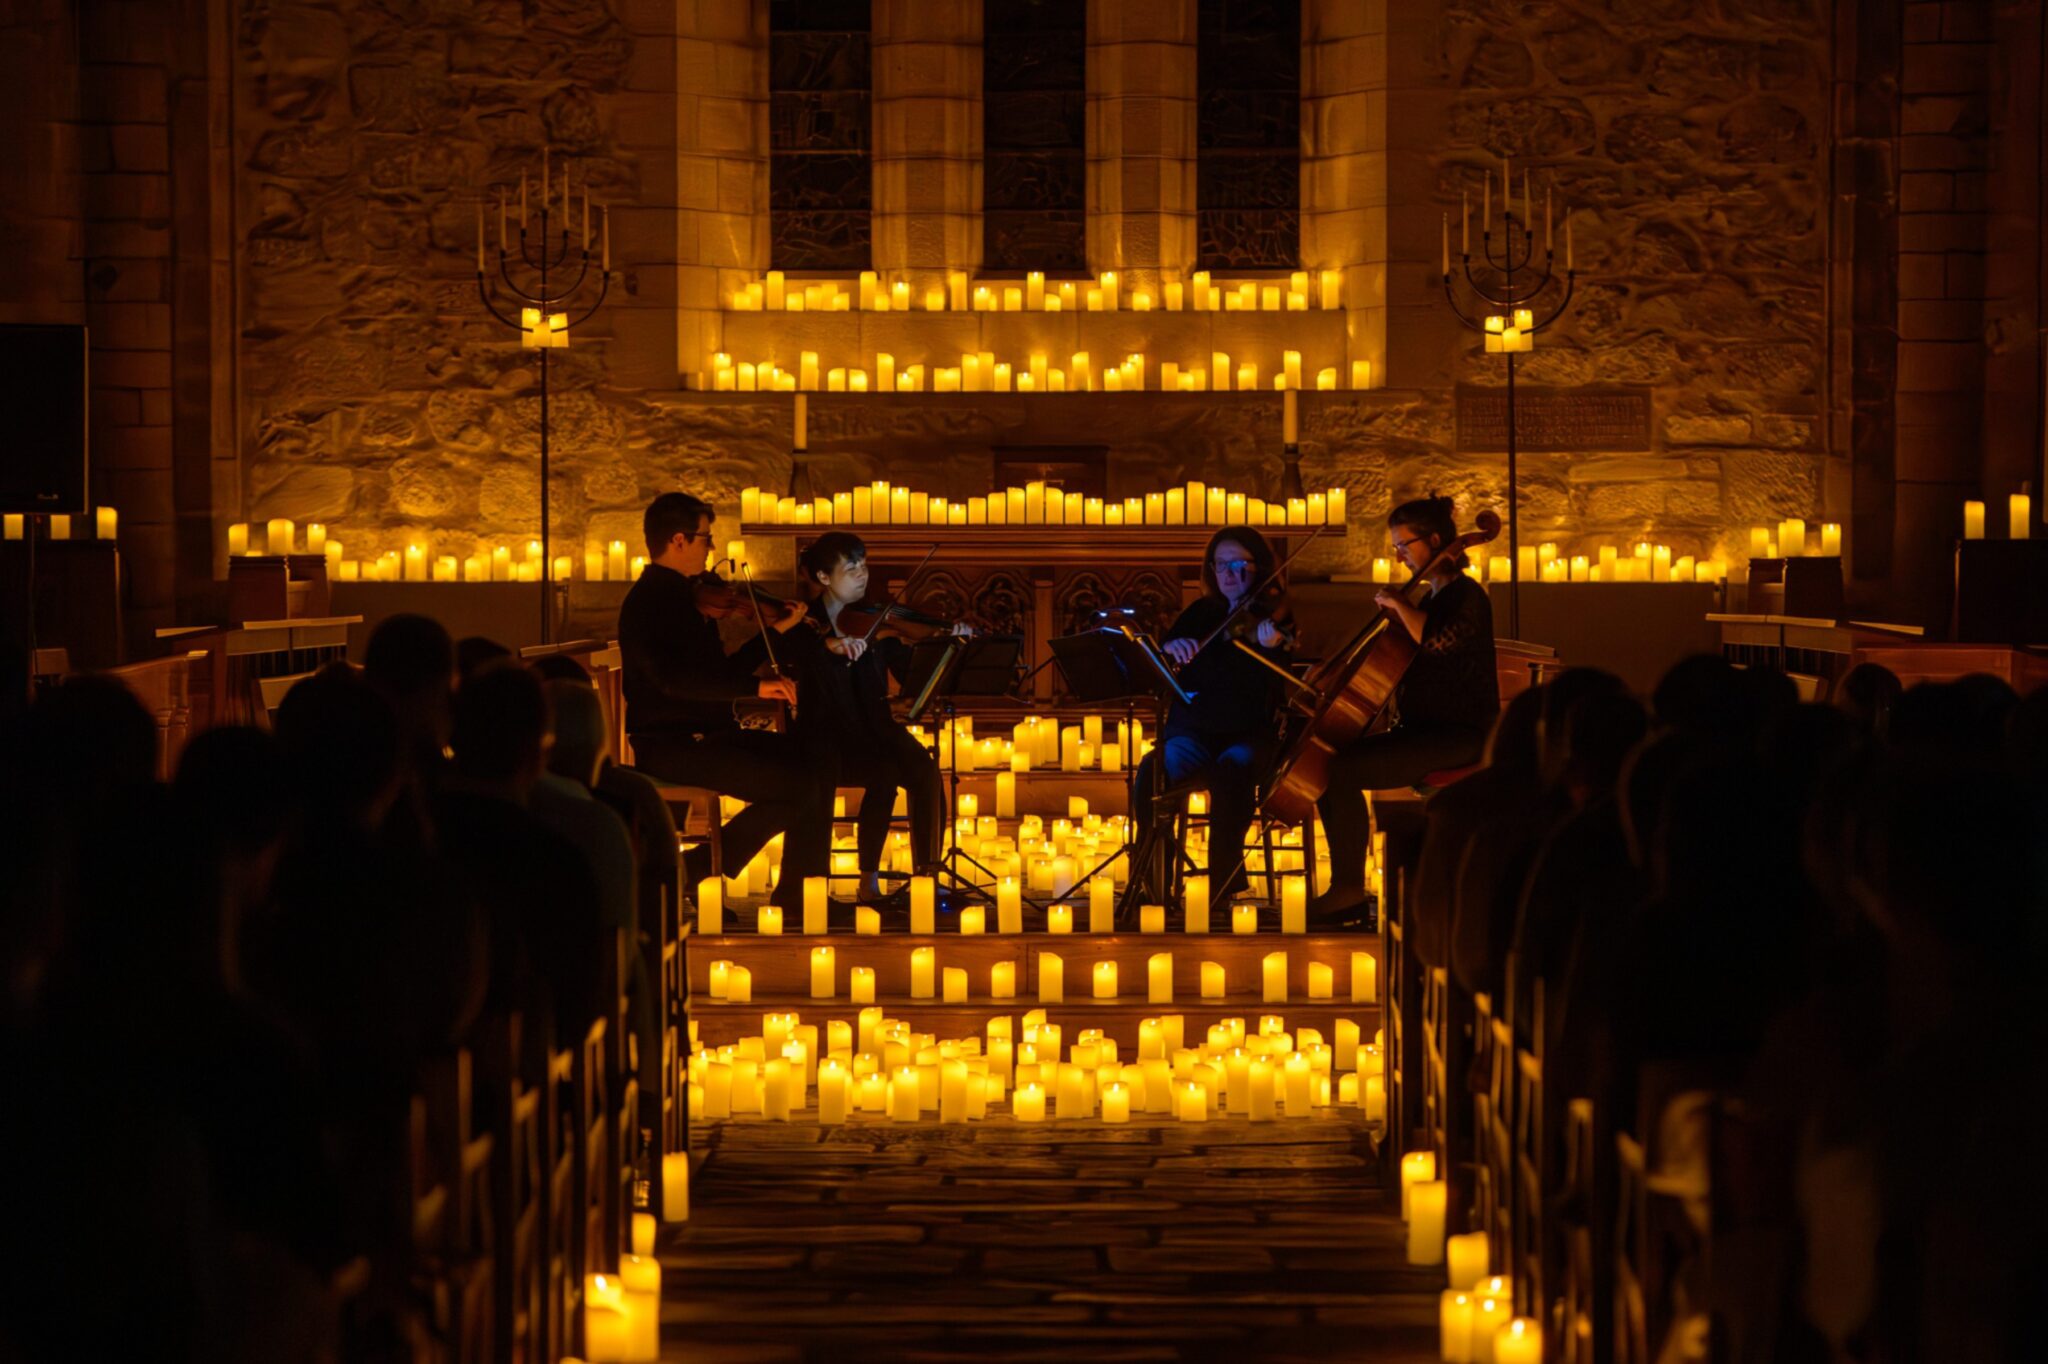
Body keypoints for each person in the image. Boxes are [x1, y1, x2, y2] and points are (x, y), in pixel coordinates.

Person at [617, 491, 833, 911]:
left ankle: (799, 889)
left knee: (818, 757)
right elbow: (669, 680)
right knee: (798, 785)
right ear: (678, 540)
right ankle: (697, 871)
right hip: (673, 745)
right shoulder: (650, 602)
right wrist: (756, 690)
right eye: (705, 538)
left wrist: (778, 633)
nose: (711, 547)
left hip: (711, 735)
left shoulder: (690, 595)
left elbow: (719, 672)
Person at [1311, 495, 1498, 921]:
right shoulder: (1431, 600)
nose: (1400, 556)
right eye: (1395, 547)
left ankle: (1347, 891)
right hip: (1423, 731)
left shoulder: (1468, 598)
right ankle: (1346, 888)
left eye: (1405, 545)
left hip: (1460, 736)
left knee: (1339, 771)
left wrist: (1400, 606)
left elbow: (1433, 643)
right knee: (1332, 763)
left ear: (1435, 541)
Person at [789, 532, 970, 906]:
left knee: (924, 770)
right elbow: (796, 663)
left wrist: (947, 646)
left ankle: (927, 875)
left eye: (865, 566)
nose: (862, 575)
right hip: (827, 734)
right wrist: (829, 648)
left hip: (875, 727)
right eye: (851, 568)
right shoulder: (804, 623)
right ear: (823, 577)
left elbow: (909, 677)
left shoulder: (878, 620)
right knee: (884, 775)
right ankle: (868, 882)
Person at [1137, 526, 1294, 911]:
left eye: (1242, 564)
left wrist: (1274, 648)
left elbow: (1281, 682)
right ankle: (1154, 881)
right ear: (1211, 569)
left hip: (1248, 734)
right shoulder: (1201, 613)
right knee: (1151, 771)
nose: (1232, 574)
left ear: (1258, 567)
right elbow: (1166, 664)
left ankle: (1224, 883)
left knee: (1232, 770)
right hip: (1194, 733)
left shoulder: (1274, 615)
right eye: (1223, 564)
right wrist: (1171, 648)